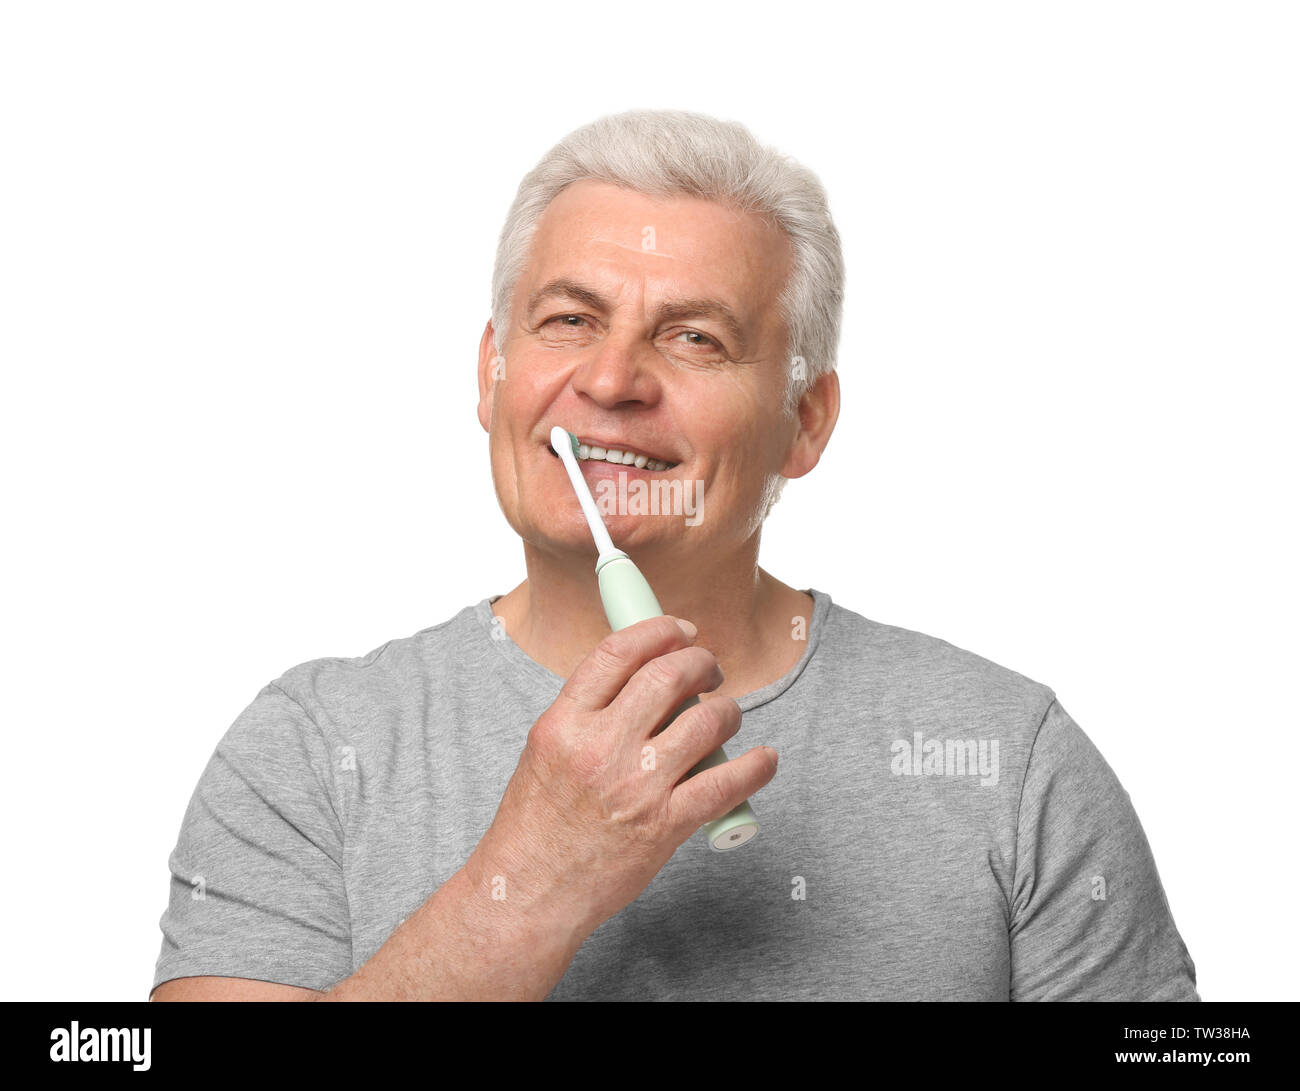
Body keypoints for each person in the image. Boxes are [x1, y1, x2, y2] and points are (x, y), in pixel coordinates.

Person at [150, 109, 1198, 1001]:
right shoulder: (307, 751)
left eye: (694, 337)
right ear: (492, 372)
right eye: (568, 319)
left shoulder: (1010, 758)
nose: (611, 379)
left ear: (804, 419)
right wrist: (528, 880)